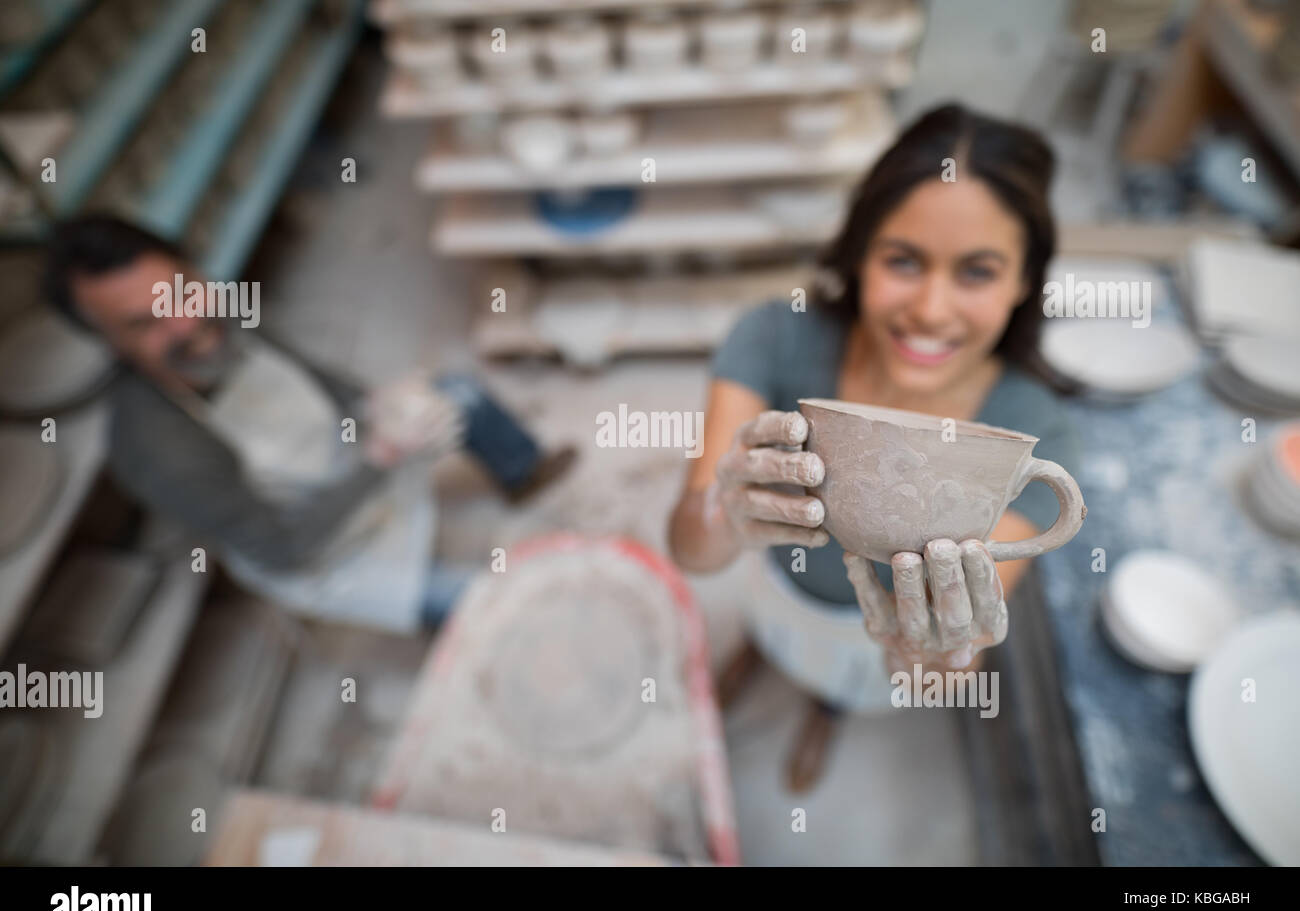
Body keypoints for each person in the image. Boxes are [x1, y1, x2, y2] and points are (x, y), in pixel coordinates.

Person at [668, 104, 1082, 791]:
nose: (930, 308)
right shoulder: (776, 337)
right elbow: (690, 550)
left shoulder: (1033, 431)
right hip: (777, 585)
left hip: (869, 640)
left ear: (1023, 284)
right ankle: (758, 657)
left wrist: (938, 654)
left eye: (977, 272)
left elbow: (928, 674)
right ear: (860, 254)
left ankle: (824, 714)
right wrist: (722, 512)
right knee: (771, 631)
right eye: (904, 260)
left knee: (845, 677)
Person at [44, 215, 575, 634]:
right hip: (322, 553)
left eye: (182, 289)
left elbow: (305, 370)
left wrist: (372, 402)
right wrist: (380, 459)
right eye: (145, 323)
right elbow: (285, 550)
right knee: (498, 602)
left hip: (348, 460)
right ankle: (481, 625)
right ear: (111, 344)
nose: (187, 322)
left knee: (459, 390)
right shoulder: (157, 448)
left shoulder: (223, 315)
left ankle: (523, 473)